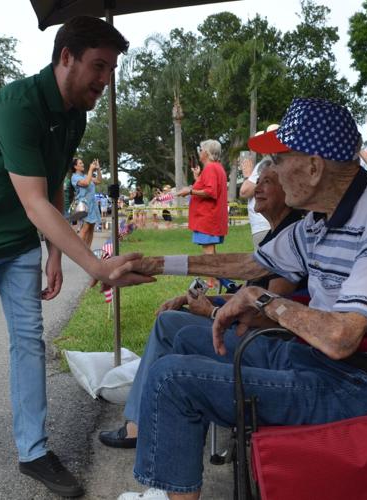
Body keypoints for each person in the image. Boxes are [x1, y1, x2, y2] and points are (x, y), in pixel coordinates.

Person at [113, 98, 367, 500]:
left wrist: (265, 302)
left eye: (280, 160)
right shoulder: (325, 214)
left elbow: (341, 336)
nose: (270, 172)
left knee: (173, 380)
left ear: (314, 166)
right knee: (178, 331)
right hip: (318, 363)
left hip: (362, 386)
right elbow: (252, 263)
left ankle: (168, 493)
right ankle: (165, 485)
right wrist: (152, 263)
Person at [0, 16, 147, 498]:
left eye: (111, 70)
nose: (104, 81)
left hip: (19, 239)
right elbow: (34, 201)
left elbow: (54, 183)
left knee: (28, 341)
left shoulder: (75, 113)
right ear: (66, 57)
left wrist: (56, 256)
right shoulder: (18, 104)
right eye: (98, 66)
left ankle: (34, 450)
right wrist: (97, 265)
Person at [98, 163, 304, 450]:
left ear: (291, 188)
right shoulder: (277, 235)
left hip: (268, 345)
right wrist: (191, 299)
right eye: (259, 180)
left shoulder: (293, 233)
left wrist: (211, 311)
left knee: (171, 326)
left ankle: (142, 424)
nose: (257, 188)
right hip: (255, 335)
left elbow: (272, 311)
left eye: (268, 181)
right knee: (171, 318)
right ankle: (145, 419)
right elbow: (248, 293)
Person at [175, 140, 228, 288]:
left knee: (208, 251)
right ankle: (215, 279)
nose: (199, 152)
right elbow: (208, 187)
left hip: (208, 218)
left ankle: (211, 281)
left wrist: (189, 190)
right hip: (211, 218)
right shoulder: (216, 168)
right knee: (210, 250)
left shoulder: (211, 168)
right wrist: (198, 177)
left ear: (207, 152)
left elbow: (211, 192)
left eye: (201, 149)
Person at [240, 151, 272, 249]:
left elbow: (244, 192)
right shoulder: (282, 161)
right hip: (272, 224)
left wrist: (247, 175)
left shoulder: (265, 163)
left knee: (264, 262)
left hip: (264, 226)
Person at [70, 158, 102, 247]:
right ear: (75, 166)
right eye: (80, 163)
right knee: (85, 228)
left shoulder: (85, 176)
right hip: (84, 205)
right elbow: (86, 183)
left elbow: (99, 180)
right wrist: (91, 169)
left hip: (93, 204)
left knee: (91, 228)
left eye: (82, 162)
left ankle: (88, 251)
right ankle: (79, 251)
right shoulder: (74, 177)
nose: (83, 164)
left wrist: (98, 169)